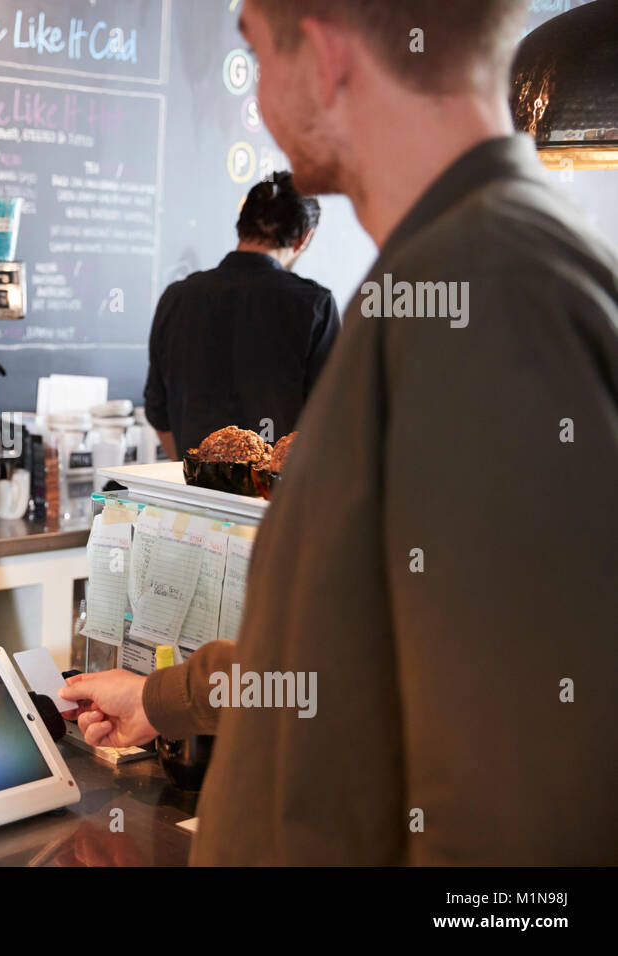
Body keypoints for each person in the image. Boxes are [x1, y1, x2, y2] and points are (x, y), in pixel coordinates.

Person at [63, 0, 618, 864]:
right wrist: (161, 699)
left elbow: (525, 809)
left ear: (320, 57)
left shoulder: (488, 297)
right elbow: (343, 655)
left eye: (254, 53)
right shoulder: (440, 278)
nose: (258, 101)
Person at [144, 171, 340, 458]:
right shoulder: (314, 304)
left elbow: (158, 411)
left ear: (241, 225)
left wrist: (193, 474)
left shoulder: (177, 297)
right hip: (274, 498)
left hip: (191, 495)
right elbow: (331, 418)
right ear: (303, 238)